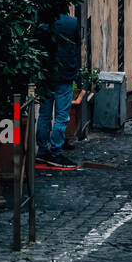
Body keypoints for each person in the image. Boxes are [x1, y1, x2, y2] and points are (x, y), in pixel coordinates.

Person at [36, 12, 79, 163]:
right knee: (61, 116)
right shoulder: (72, 22)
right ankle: (56, 151)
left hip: (46, 75)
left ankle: (42, 150)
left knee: (44, 115)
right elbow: (77, 46)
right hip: (65, 75)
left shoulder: (42, 22)